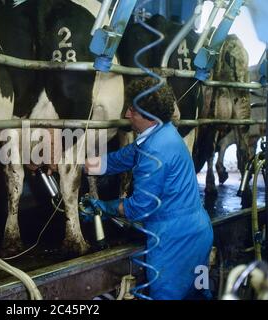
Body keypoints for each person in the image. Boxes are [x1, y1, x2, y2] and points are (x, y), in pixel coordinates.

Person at [84, 77, 214, 300]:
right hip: (198, 232)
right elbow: (125, 156)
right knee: (198, 292)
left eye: (132, 111)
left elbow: (139, 208)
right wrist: (83, 165)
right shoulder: (163, 133)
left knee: (166, 296)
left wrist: (106, 207)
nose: (126, 115)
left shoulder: (155, 151)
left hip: (174, 241)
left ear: (148, 116)